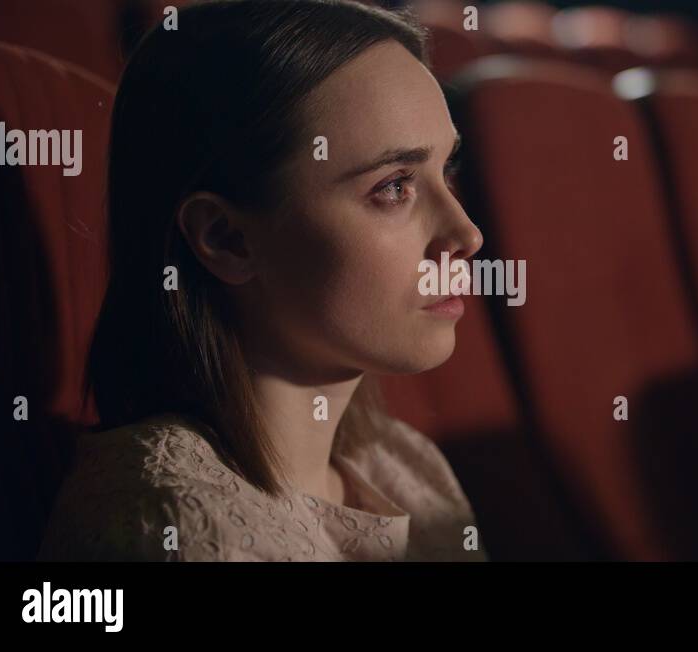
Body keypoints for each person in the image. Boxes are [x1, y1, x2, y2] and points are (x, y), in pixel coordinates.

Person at [37, 0, 488, 562]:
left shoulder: (405, 465)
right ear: (227, 239)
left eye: (446, 170)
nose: (467, 235)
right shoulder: (174, 523)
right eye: (393, 186)